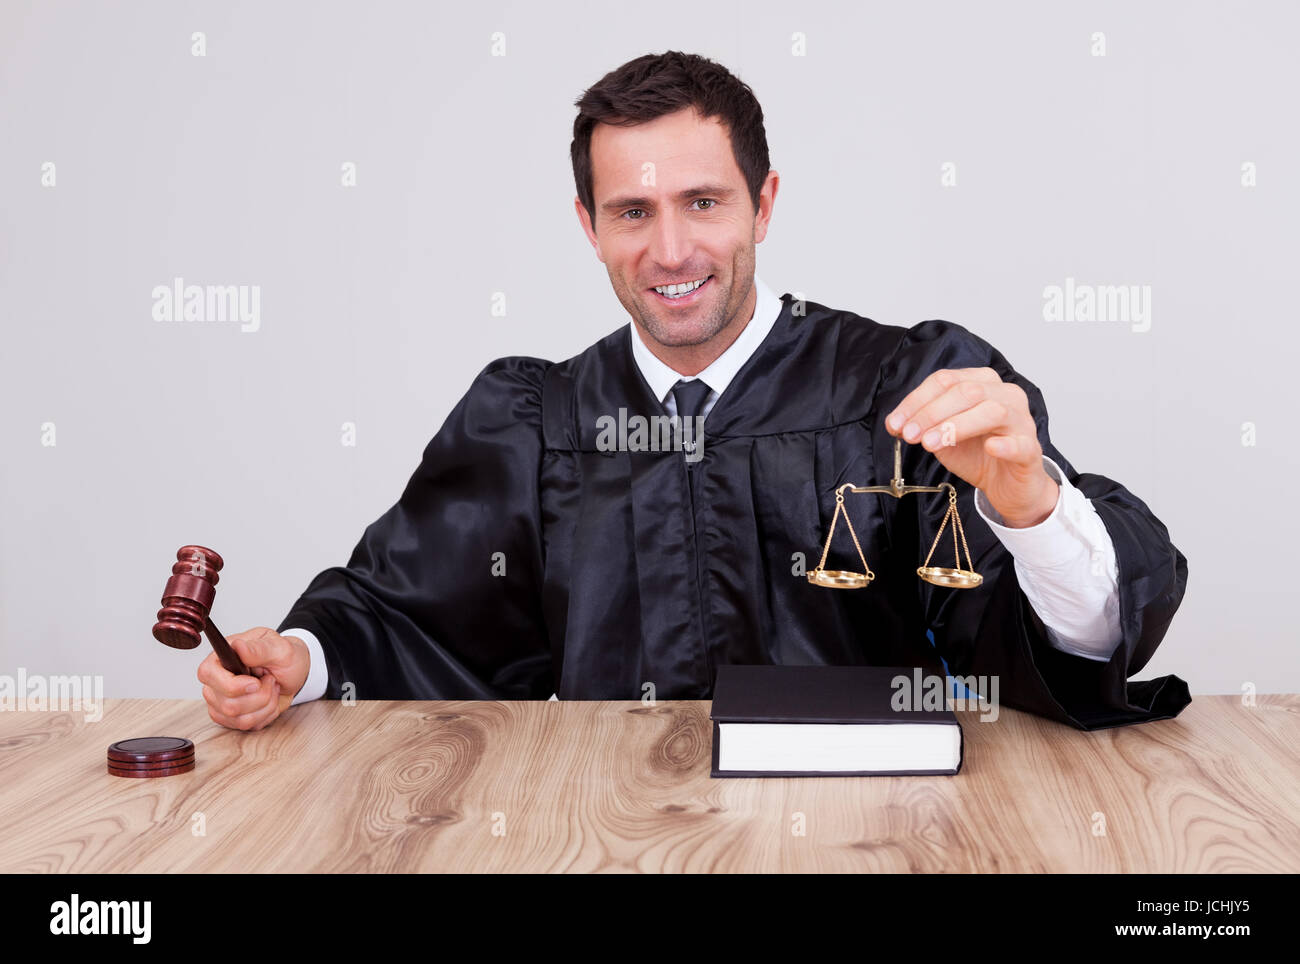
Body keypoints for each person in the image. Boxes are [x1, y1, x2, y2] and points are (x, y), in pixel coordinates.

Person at [198, 51, 1189, 733]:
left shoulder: (902, 389)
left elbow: (1072, 644)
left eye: (702, 203)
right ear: (588, 225)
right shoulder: (536, 421)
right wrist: (301, 658)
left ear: (762, 202)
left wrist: (1032, 507)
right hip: (610, 838)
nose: (669, 251)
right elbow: (407, 617)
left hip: (880, 837)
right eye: (632, 211)